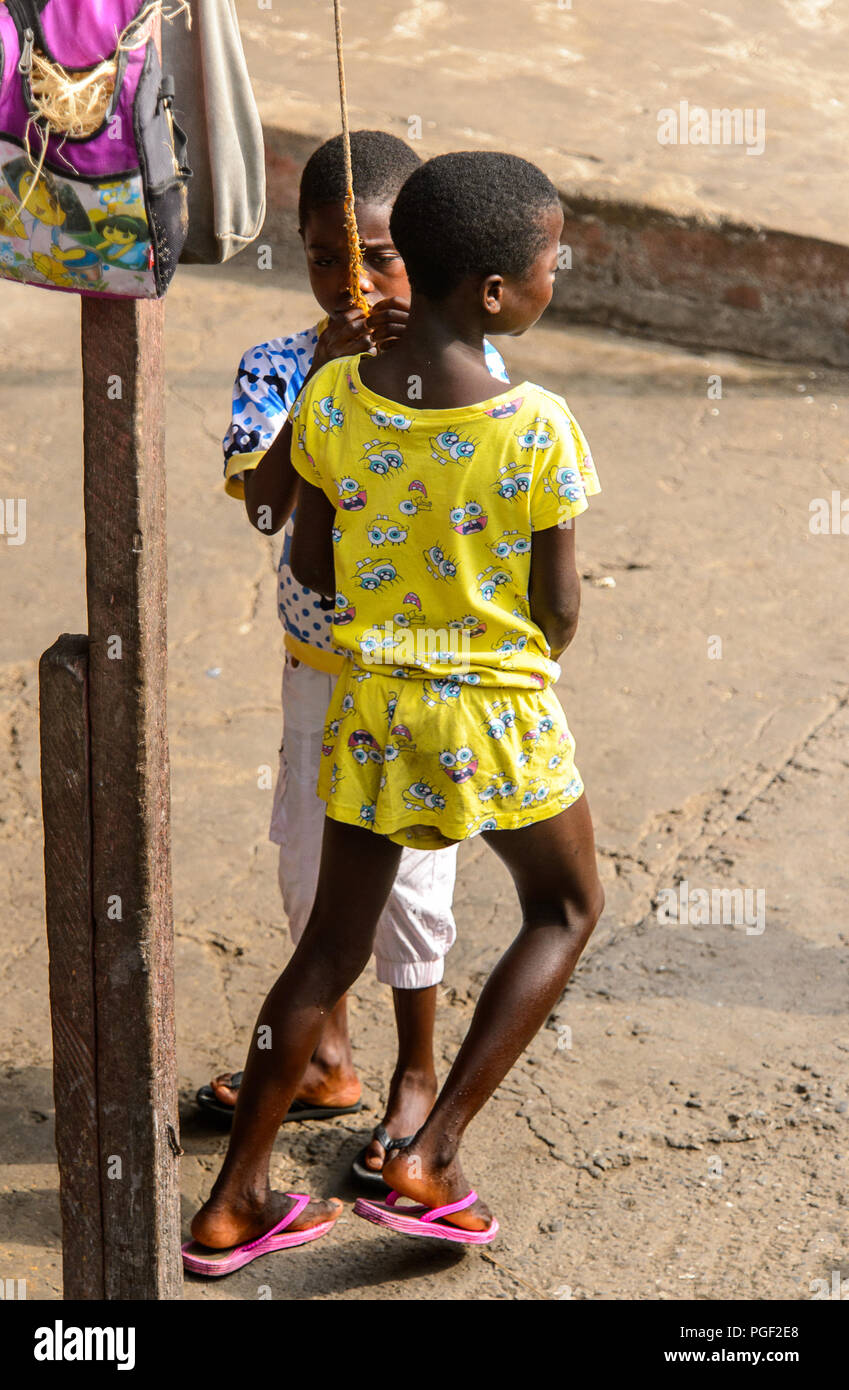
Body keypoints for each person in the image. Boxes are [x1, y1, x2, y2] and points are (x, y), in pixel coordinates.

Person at [183, 150, 604, 1274]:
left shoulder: (327, 396)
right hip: (494, 714)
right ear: (498, 295)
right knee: (564, 908)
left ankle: (235, 1202)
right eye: (547, 261)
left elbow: (310, 557)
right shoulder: (541, 425)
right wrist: (510, 648)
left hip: (372, 705)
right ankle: (431, 1150)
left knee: (327, 950)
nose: (554, 274)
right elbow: (555, 610)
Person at [199, 130, 510, 1186]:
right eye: (327, 257)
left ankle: (414, 1072)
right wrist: (324, 384)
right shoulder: (281, 367)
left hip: (422, 674)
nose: (353, 280)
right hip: (317, 665)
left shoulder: (467, 367)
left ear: (420, 255)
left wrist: (391, 377)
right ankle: (325, 1053)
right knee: (306, 867)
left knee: (414, 879)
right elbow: (266, 502)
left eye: (378, 256)